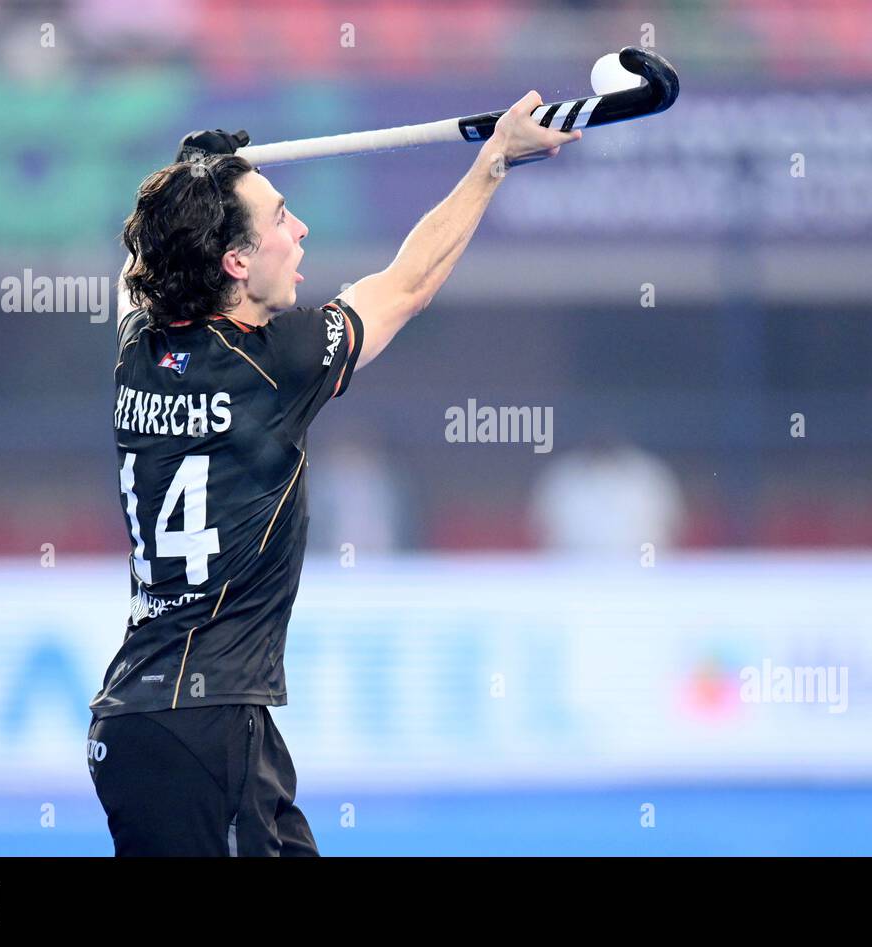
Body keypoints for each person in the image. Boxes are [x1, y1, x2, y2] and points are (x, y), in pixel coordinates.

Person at [86, 94, 581, 856]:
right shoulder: (274, 363)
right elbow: (408, 283)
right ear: (237, 263)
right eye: (281, 217)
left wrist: (190, 176)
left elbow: (141, 268)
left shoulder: (134, 350)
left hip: (138, 725)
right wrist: (493, 164)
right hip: (207, 729)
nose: (301, 229)